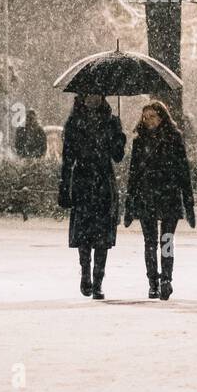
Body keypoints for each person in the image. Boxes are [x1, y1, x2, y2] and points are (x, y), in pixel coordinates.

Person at [124, 100, 196, 299]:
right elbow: (134, 174)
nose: (148, 121)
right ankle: (152, 281)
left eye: (152, 117)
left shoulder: (174, 139)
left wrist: (188, 202)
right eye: (145, 117)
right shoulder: (140, 142)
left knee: (167, 240)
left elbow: (183, 172)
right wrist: (129, 205)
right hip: (146, 195)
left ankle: (166, 279)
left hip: (169, 194)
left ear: (162, 117)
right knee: (149, 242)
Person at [58, 93, 126, 299]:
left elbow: (117, 156)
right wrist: (64, 186)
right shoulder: (74, 123)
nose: (92, 99)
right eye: (88, 95)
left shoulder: (111, 122)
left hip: (104, 183)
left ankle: (98, 281)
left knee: (102, 236)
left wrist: (119, 137)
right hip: (82, 182)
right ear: (82, 97)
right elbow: (67, 158)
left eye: (96, 94)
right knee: (84, 234)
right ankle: (85, 273)